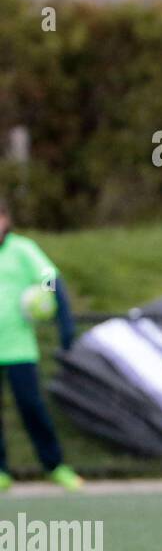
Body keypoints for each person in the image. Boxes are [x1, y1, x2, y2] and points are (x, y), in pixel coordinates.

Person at [0, 198, 84, 491]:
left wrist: (46, 301)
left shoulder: (22, 250)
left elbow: (49, 278)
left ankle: (55, 466)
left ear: (6, 220)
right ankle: (1, 473)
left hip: (18, 349)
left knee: (32, 407)